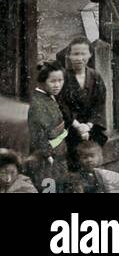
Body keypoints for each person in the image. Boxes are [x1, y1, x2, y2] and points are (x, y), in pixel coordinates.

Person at [57, 35, 107, 171]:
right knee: (73, 162)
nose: (79, 58)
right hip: (70, 127)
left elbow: (99, 104)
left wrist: (89, 125)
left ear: (90, 54)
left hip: (91, 126)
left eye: (83, 54)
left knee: (92, 161)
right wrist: (78, 126)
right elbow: (61, 105)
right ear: (69, 56)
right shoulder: (62, 78)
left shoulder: (95, 77)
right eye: (76, 54)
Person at [27, 60, 69, 193]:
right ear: (42, 81)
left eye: (60, 80)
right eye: (53, 81)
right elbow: (38, 134)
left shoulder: (49, 97)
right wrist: (48, 155)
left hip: (58, 154)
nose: (57, 85)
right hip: (47, 158)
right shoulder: (38, 104)